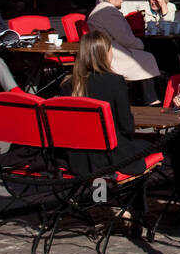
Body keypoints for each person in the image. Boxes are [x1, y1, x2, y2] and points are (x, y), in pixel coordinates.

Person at [57, 29, 158, 178]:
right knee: (156, 143)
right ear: (106, 53)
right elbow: (126, 127)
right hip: (111, 154)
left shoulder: (67, 85)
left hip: (78, 157)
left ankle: (103, 195)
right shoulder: (115, 81)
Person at [85, 0, 162, 105]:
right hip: (112, 53)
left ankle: (145, 96)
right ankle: (151, 98)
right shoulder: (109, 12)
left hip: (102, 50)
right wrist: (140, 44)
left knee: (146, 56)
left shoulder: (97, 10)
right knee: (148, 58)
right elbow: (124, 38)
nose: (122, 0)